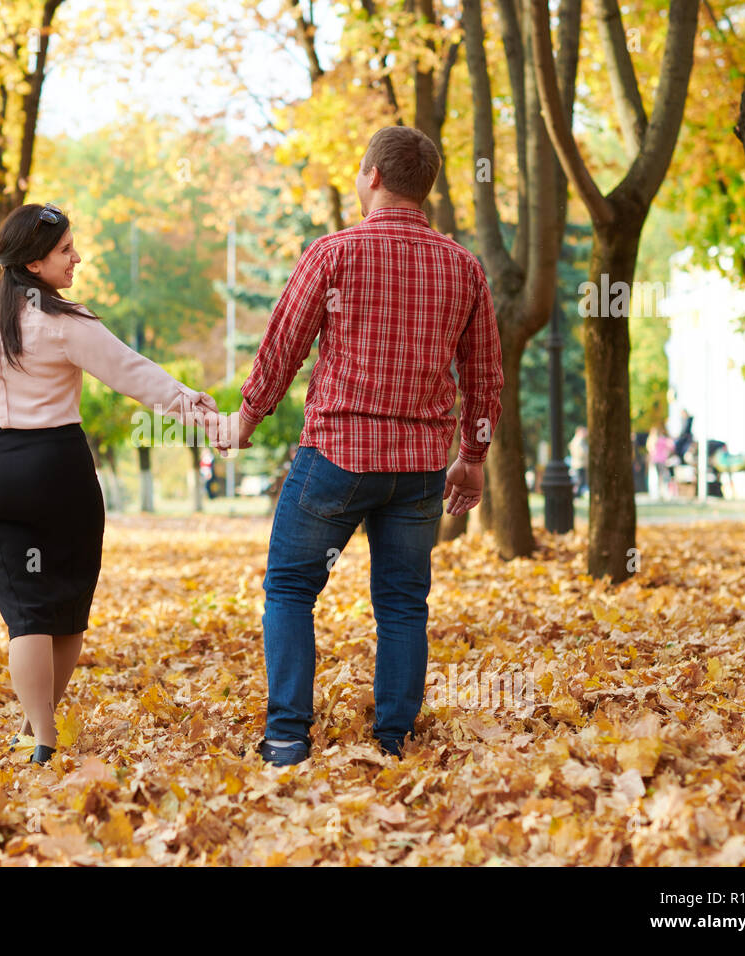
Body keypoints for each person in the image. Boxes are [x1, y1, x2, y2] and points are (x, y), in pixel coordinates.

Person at [214, 126, 504, 766]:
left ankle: (288, 735)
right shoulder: (463, 268)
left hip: (337, 459)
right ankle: (392, 739)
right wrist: (474, 459)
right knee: (403, 602)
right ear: (424, 187)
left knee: (291, 588)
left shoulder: (334, 254)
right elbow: (484, 375)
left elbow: (283, 346)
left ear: (371, 174)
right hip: (421, 468)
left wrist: (247, 419)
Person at [0, 202, 220, 765]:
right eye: (65, 251)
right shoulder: (65, 320)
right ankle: (40, 734)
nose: (76, 259)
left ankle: (36, 734)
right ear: (32, 263)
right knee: (67, 605)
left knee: (25, 614)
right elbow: (133, 373)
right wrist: (200, 413)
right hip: (56, 469)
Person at [568, 426, 588, 498]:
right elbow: (581, 453)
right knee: (579, 482)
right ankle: (576, 496)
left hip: (579, 464)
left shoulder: (579, 440)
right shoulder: (578, 441)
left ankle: (577, 495)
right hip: (579, 464)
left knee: (580, 481)